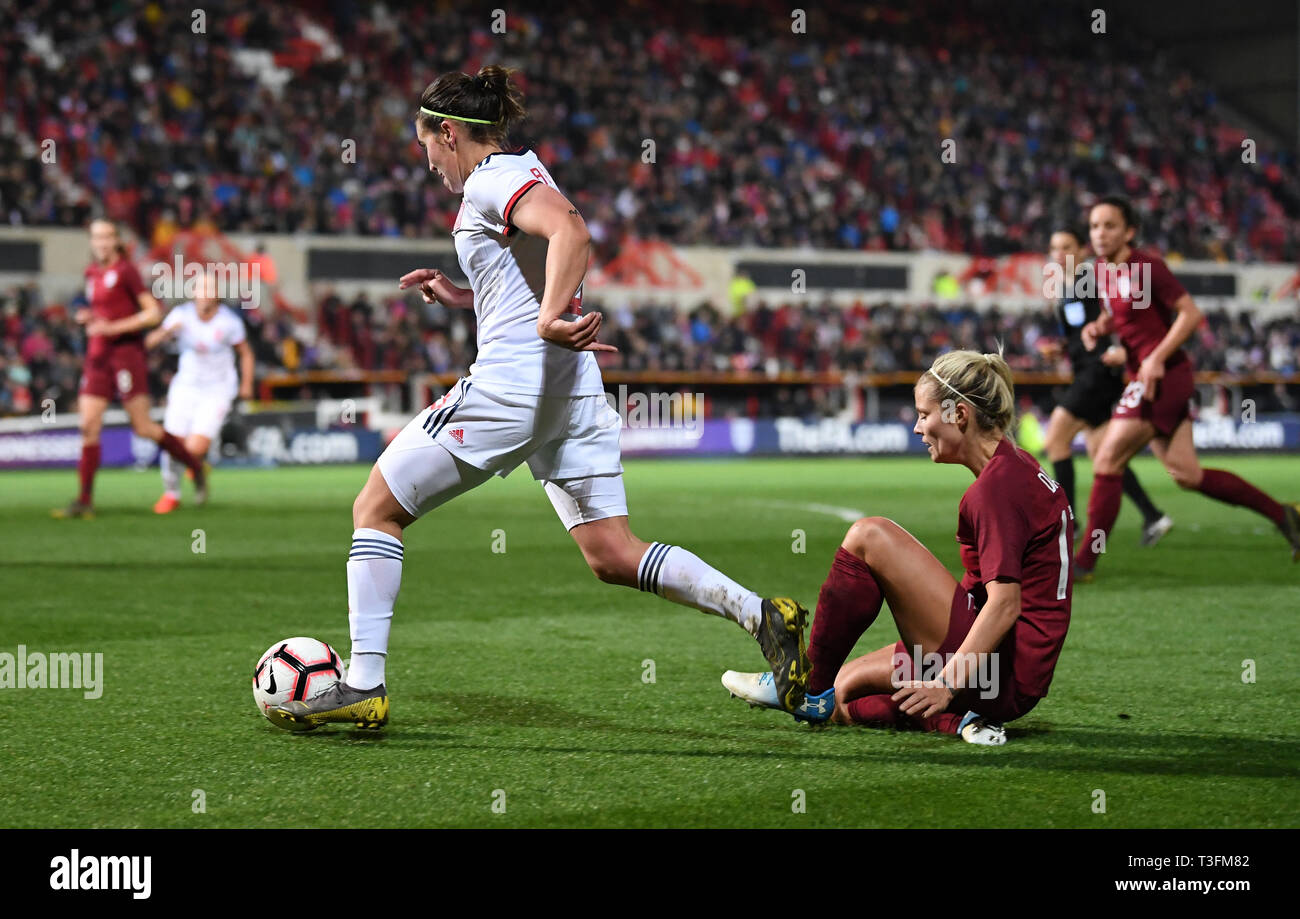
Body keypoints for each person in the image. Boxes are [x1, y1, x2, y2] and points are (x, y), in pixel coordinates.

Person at [267, 66, 808, 732]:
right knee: (613, 551)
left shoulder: (491, 180)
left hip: (513, 387)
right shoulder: (524, 168)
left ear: (447, 132)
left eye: (425, 145)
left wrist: (551, 316)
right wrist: (466, 293)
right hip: (570, 389)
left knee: (374, 507)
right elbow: (531, 265)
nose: (427, 161)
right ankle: (761, 615)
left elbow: (573, 233)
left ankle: (363, 682)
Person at [723, 350, 1074, 746]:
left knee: (869, 536)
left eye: (924, 415)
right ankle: (957, 720)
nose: (917, 428)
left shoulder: (995, 490)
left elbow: (1005, 604)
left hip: (1001, 671)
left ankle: (806, 686)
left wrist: (945, 683)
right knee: (844, 694)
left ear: (959, 415)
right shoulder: (1016, 466)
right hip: (1006, 668)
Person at [1074, 196, 1300, 578]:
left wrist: (1157, 356)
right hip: (1147, 375)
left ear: (1129, 231)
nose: (1099, 233)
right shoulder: (1100, 270)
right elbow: (1127, 316)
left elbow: (1190, 314)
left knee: (1107, 459)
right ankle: (1286, 515)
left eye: (1109, 225)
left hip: (1163, 378)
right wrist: (1102, 328)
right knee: (1187, 474)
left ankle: (1083, 564)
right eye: (1095, 226)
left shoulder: (1148, 266)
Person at [52, 219, 206, 518]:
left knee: (143, 427)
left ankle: (195, 465)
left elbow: (152, 313)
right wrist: (86, 317)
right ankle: (84, 501)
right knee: (88, 425)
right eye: (97, 237)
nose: (102, 243)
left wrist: (113, 327)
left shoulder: (126, 271)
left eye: (107, 237)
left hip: (126, 356)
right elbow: (101, 311)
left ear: (116, 240)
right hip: (98, 356)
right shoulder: (92, 272)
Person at [1041, 226, 1171, 545]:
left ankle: (1068, 524)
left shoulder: (1091, 281)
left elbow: (1123, 316)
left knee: (1056, 439)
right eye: (1055, 248)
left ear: (1082, 249)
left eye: (1067, 246)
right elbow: (1081, 332)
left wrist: (1125, 350)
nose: (1060, 254)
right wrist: (1062, 348)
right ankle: (1154, 516)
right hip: (1089, 372)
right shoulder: (1071, 286)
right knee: (1104, 454)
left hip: (1099, 373)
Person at [144, 271, 254, 513]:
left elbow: (245, 353)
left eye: (210, 289)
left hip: (217, 389)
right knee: (172, 441)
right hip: (186, 386)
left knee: (194, 447)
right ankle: (171, 494)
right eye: (201, 289)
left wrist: (246, 384)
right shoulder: (180, 315)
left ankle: (197, 465)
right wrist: (165, 331)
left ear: (217, 294)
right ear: (194, 292)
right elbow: (148, 343)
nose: (205, 294)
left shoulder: (229, 322)